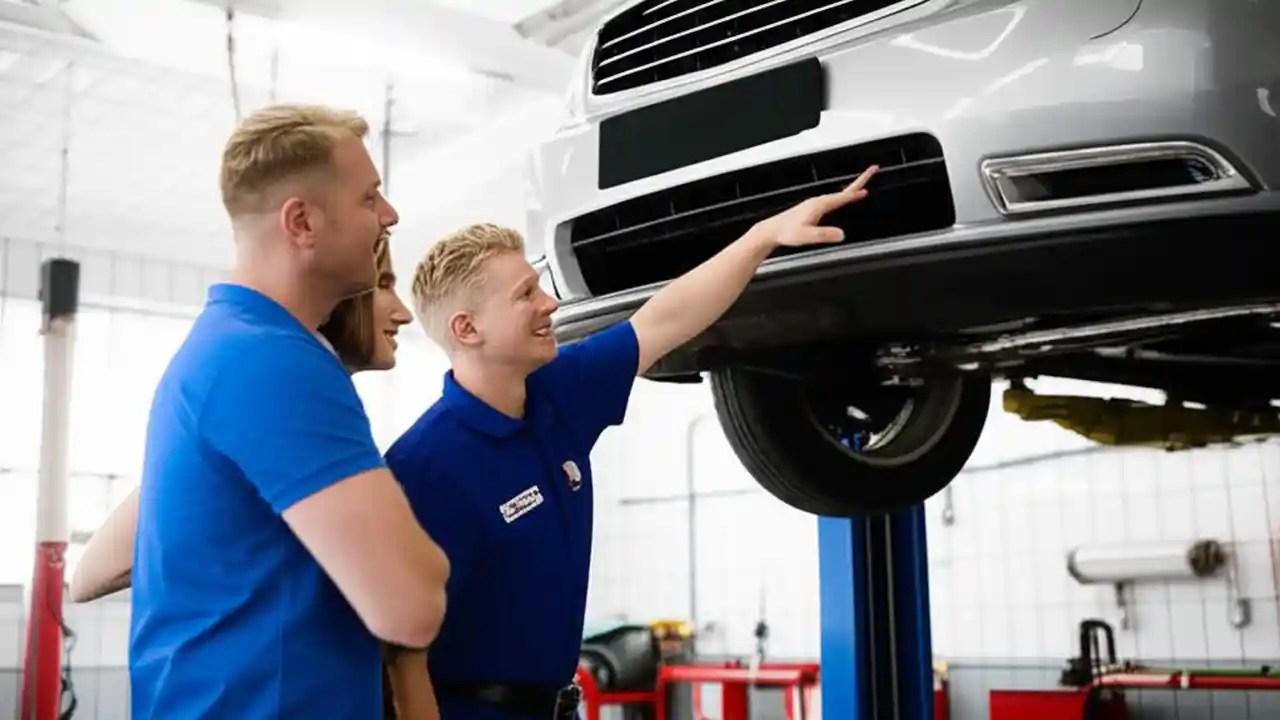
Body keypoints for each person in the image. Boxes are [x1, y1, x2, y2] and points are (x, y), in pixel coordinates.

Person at [384, 165, 879, 719]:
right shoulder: (424, 468)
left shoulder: (557, 394)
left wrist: (761, 236)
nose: (549, 304)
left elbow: (667, 319)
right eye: (525, 294)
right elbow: (397, 653)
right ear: (466, 329)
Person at [127, 103, 450, 719]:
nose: (389, 216)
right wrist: (425, 559)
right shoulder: (273, 362)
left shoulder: (222, 348)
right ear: (301, 221)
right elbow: (412, 603)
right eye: (369, 198)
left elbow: (106, 567)